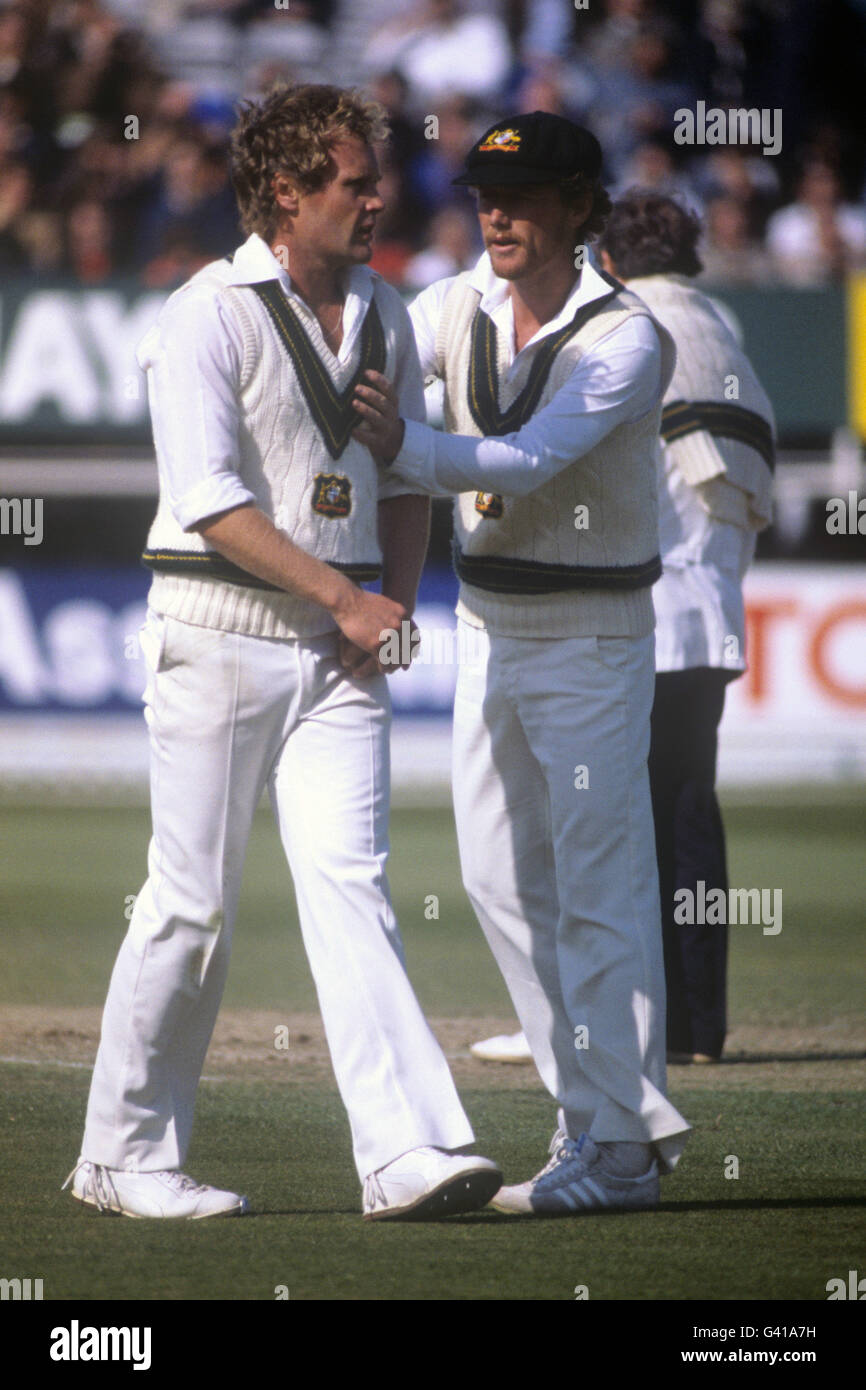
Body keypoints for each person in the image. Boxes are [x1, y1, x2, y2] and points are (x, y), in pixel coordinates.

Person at [63, 82, 500, 1223]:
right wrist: (342, 601)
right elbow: (208, 501)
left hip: (338, 651)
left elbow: (404, 480)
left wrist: (389, 605)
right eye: (353, 183)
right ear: (286, 191)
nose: (376, 198)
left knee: (355, 891)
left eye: (375, 180)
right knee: (191, 903)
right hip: (215, 637)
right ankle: (121, 1154)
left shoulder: (386, 314)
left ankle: (405, 1150)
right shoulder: (206, 312)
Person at [352, 111, 690, 1215]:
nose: (496, 212)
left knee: (599, 888)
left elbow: (527, 460)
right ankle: (587, 1114)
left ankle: (623, 1145)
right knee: (499, 883)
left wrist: (401, 442)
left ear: (580, 207)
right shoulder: (451, 304)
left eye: (525, 194)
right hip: (490, 626)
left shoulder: (624, 335)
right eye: (484, 193)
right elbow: (364, 352)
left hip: (591, 637)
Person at [598, 190, 775, 1063]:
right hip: (714, 617)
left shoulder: (628, 323)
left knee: (622, 820)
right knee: (689, 813)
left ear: (612, 259)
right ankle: (698, 1025)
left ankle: (639, 1021)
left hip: (644, 613)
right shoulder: (724, 332)